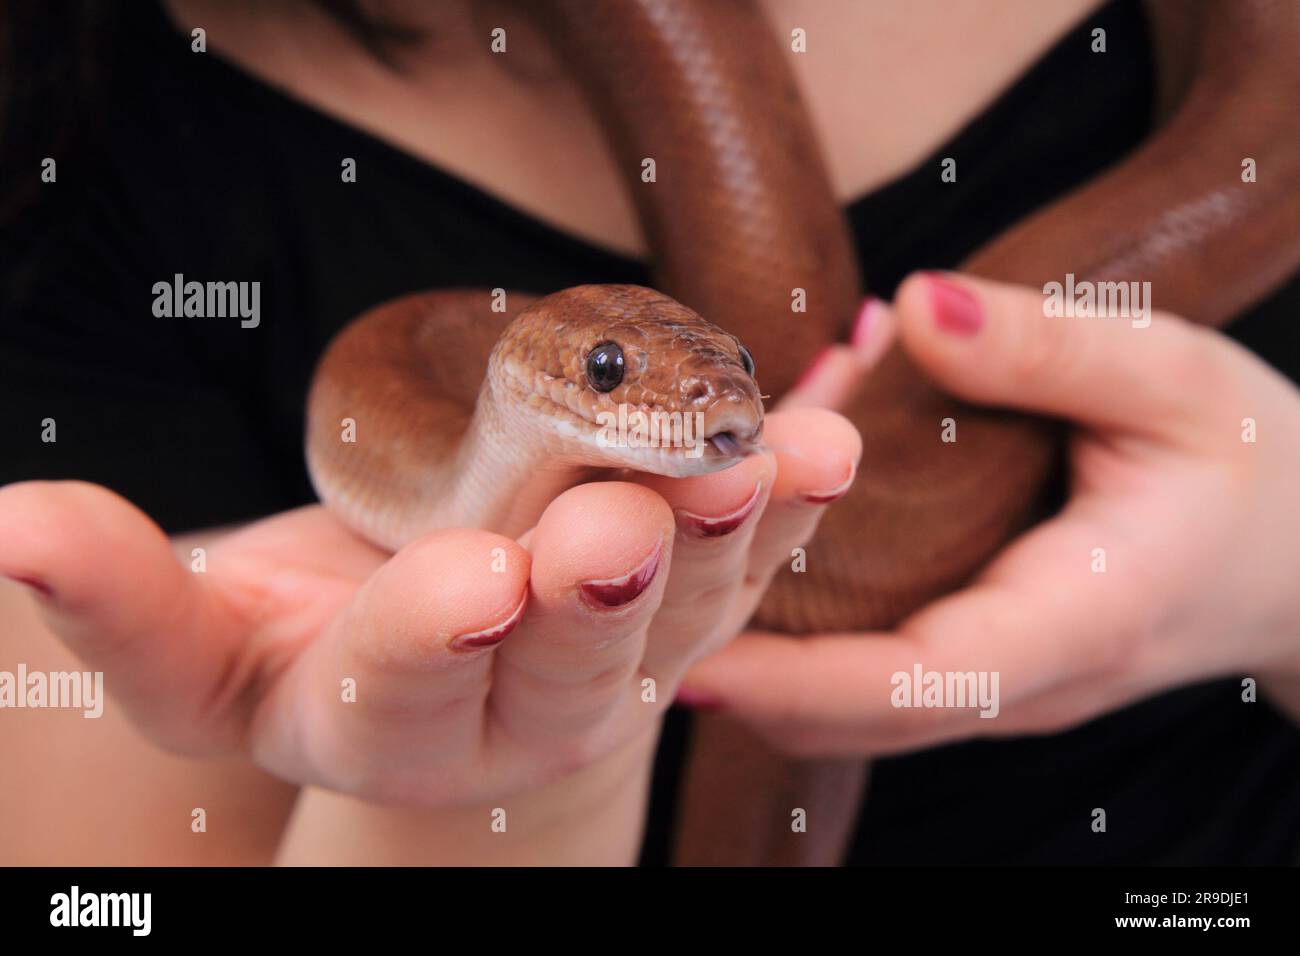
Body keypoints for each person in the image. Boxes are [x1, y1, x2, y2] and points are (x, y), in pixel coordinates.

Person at [1, 0, 1297, 865]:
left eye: (720, 382)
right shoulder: (82, 130)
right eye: (621, 375)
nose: (715, 413)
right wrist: (484, 791)